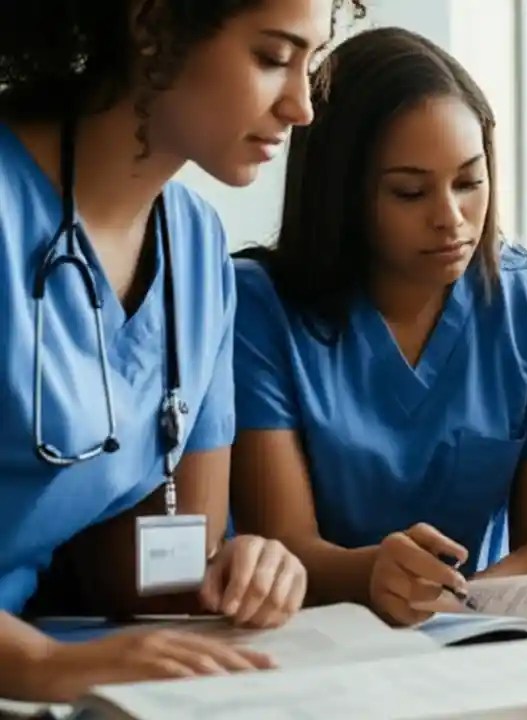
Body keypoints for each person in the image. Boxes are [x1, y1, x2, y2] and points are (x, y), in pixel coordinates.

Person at [0, 0, 358, 701]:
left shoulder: (195, 253)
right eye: (272, 57)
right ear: (152, 24)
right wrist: (44, 666)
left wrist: (238, 573)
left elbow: (149, 571)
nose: (300, 107)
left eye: (310, 65)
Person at [229, 27, 527, 628]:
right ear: (341, 194)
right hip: (301, 637)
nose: (450, 219)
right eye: (409, 192)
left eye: (469, 182)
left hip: (470, 636)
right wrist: (371, 576)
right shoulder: (256, 310)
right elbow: (285, 547)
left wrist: (452, 601)